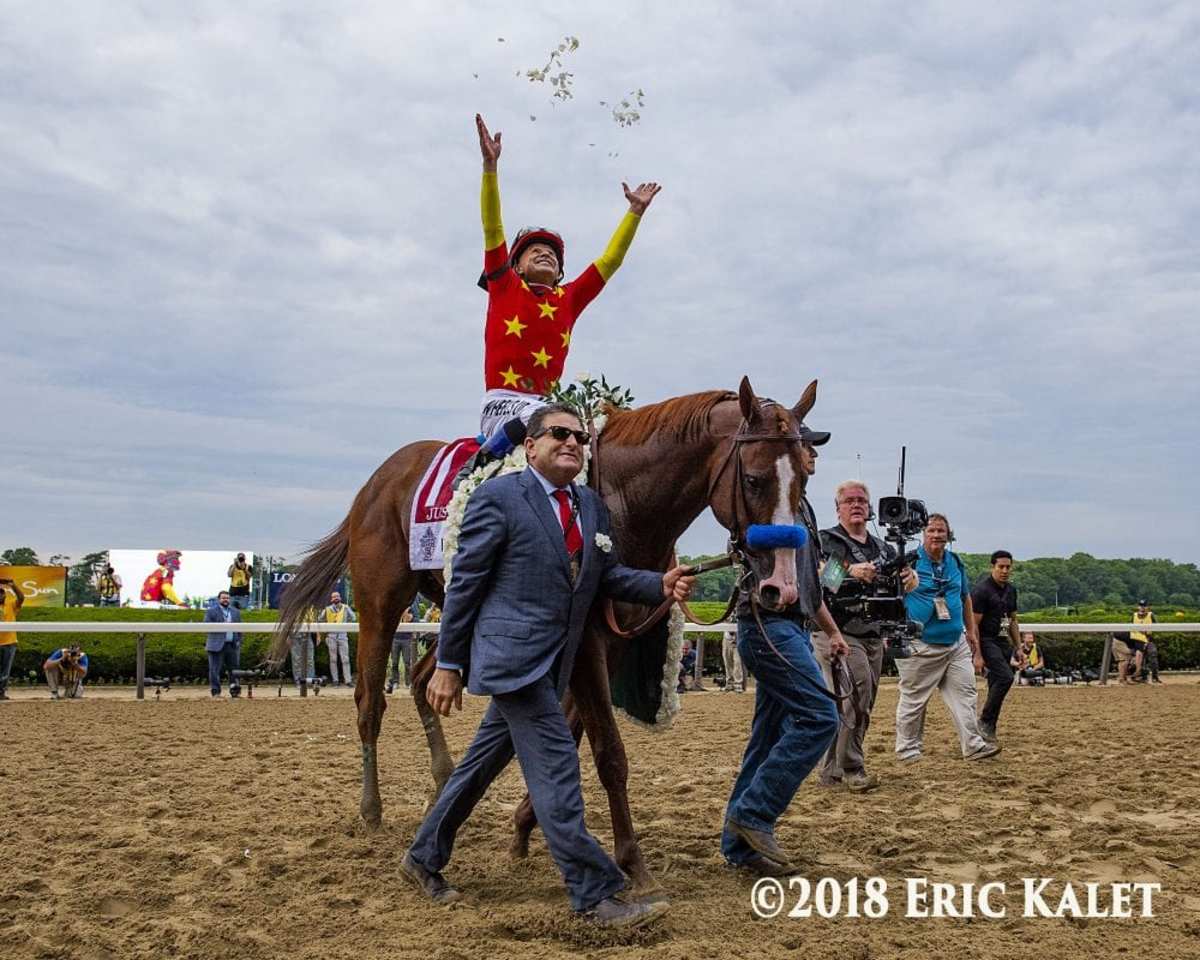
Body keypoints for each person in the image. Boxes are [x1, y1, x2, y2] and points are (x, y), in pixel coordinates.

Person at [402, 403, 695, 928]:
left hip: (554, 664)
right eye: (559, 434)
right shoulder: (497, 498)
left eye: (580, 437)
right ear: (530, 446)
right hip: (512, 662)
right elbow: (465, 586)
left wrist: (660, 585)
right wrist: (447, 663)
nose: (571, 443)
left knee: (478, 767)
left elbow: (605, 576)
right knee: (559, 767)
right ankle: (595, 893)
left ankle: (422, 857)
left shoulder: (589, 506)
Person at [469, 114, 661, 466]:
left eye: (553, 255)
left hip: (549, 410)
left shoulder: (568, 299)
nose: (545, 254)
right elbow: (492, 225)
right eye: (534, 251)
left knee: (594, 429)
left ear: (559, 274)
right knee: (555, 420)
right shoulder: (504, 286)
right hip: (502, 403)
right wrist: (490, 168)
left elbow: (610, 261)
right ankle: (478, 465)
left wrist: (634, 212)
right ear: (516, 266)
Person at [722, 423, 847, 877]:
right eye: (805, 446)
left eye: (812, 447)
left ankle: (740, 848)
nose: (812, 453)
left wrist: (832, 632)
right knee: (819, 717)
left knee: (767, 739)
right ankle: (754, 815)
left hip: (790, 627)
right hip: (767, 624)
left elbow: (816, 589)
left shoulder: (802, 508)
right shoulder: (770, 502)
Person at [814, 479, 917, 792]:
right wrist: (850, 570)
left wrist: (908, 578)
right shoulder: (825, 540)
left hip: (874, 632)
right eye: (849, 500)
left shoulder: (883, 547)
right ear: (838, 508)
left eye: (861, 500)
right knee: (856, 697)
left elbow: (902, 589)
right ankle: (853, 767)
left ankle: (829, 771)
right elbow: (818, 577)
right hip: (837, 630)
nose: (856, 505)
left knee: (856, 702)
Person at [895, 514, 999, 763]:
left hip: (955, 642)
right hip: (920, 644)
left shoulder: (955, 562)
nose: (936, 535)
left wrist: (971, 631)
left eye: (941, 531)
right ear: (923, 534)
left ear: (949, 534)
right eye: (931, 530)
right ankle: (907, 749)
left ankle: (973, 745)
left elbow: (965, 597)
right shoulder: (910, 561)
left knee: (966, 694)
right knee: (914, 699)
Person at [972, 550, 1021, 743]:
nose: (1005, 570)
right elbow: (974, 624)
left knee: (996, 684)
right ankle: (984, 720)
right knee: (1005, 678)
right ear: (992, 567)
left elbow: (1013, 620)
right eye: (1001, 567)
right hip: (985, 639)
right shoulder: (981, 591)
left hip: (1002, 640)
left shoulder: (1011, 590)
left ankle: (988, 728)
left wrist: (1018, 646)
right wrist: (977, 654)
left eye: (1008, 567)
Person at [203, 590, 242, 698]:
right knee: (214, 670)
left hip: (232, 645)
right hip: (216, 646)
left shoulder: (235, 612)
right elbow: (206, 626)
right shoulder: (211, 612)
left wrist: (238, 641)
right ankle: (216, 692)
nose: (226, 600)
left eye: (227, 598)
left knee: (234, 670)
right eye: (223, 598)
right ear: (218, 599)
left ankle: (234, 691)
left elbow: (240, 629)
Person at [319, 591, 356, 686]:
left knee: (345, 659)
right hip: (331, 636)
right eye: (334, 597)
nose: (336, 598)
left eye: (337, 596)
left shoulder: (345, 607)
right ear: (331, 599)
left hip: (343, 636)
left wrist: (346, 621)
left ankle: (348, 680)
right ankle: (335, 680)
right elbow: (319, 619)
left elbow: (354, 618)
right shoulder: (327, 609)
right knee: (333, 659)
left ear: (340, 597)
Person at [387, 600, 423, 694]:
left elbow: (416, 620)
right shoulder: (394, 605)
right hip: (395, 638)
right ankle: (395, 681)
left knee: (407, 662)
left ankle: (408, 682)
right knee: (394, 662)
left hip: (407, 639)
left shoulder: (412, 606)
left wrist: (410, 618)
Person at [0, 577, 25, 700]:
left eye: (1, 593)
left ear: (4, 595)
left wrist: (12, 585)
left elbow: (21, 598)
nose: (0, 596)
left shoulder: (10, 604)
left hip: (9, 642)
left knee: (5, 670)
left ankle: (1, 693)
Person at [1131, 600, 1161, 683]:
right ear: (1138, 607)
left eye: (1144, 606)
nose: (1142, 607)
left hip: (1149, 639)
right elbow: (1130, 628)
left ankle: (1155, 677)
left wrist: (1147, 633)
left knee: (1153, 655)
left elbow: (1157, 627)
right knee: (1139, 656)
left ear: (1148, 607)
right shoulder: (1134, 615)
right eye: (1141, 606)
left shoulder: (1151, 615)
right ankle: (1141, 676)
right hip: (1138, 640)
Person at [721, 627, 745, 693]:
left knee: (738, 662)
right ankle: (729, 684)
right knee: (727, 662)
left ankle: (738, 684)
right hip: (727, 639)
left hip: (738, 639)